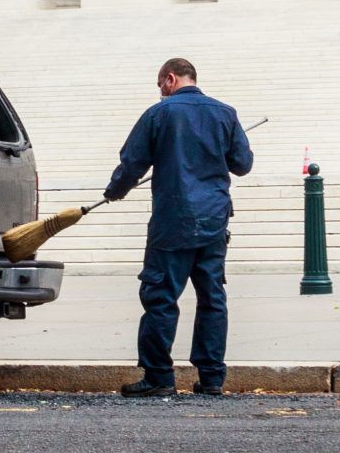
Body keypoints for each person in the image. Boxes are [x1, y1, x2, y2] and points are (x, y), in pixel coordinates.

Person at [104, 57, 253, 397]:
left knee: (160, 296)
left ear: (170, 79)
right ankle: (212, 378)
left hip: (173, 220)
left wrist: (114, 191)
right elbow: (242, 164)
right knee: (212, 297)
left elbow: (132, 164)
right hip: (214, 220)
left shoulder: (160, 114)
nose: (160, 92)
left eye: (160, 86)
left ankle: (159, 376)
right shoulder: (225, 113)